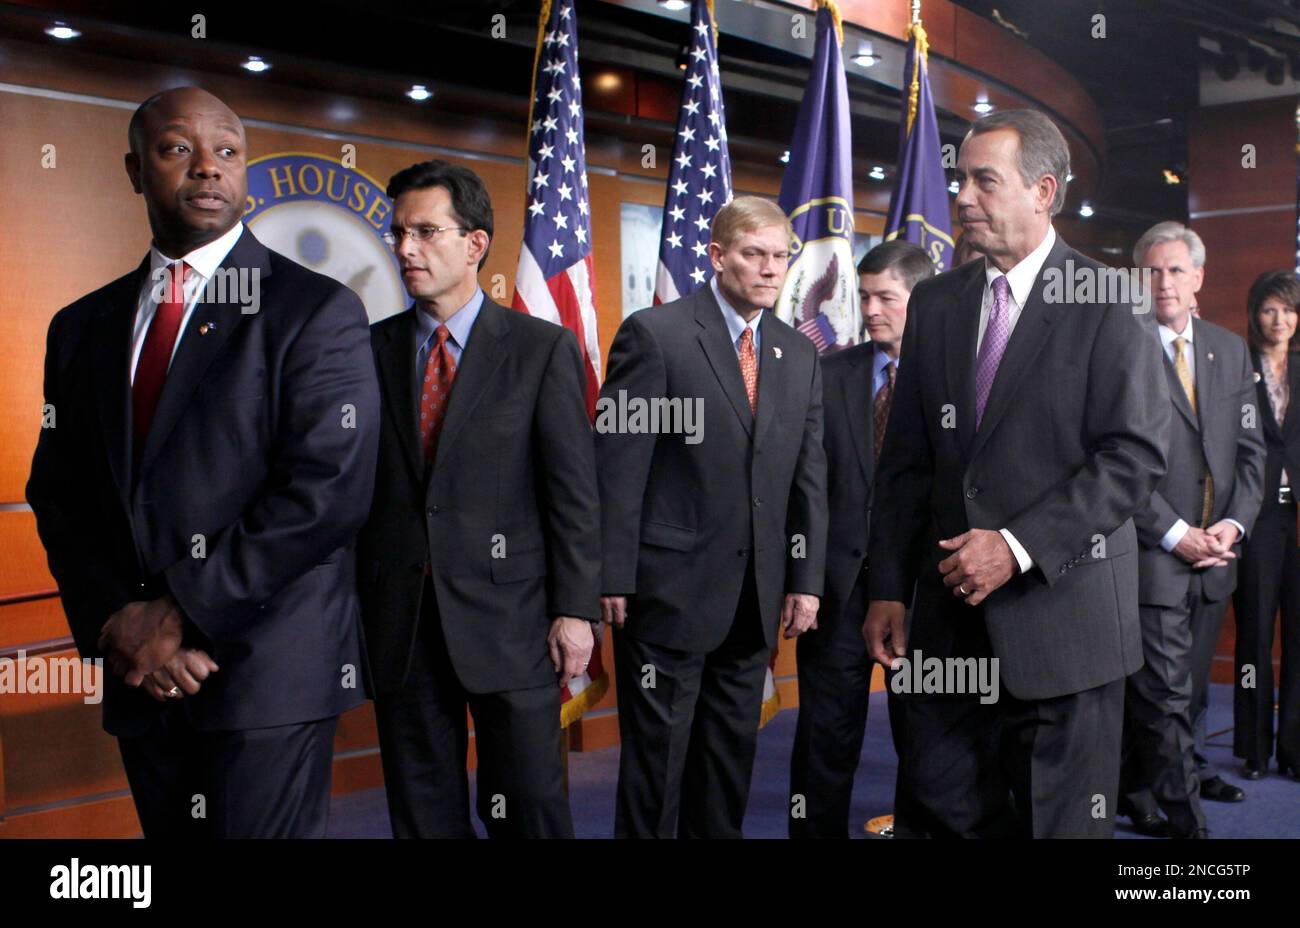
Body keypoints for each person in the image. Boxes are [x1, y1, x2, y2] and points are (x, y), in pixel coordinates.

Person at [25, 87, 380, 837]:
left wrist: (179, 614)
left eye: (227, 152)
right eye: (177, 149)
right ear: (134, 170)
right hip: (140, 675)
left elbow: (327, 493)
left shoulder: (314, 310)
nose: (208, 169)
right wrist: (119, 626)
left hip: (265, 676)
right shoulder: (81, 326)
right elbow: (59, 495)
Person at [864, 109, 1171, 839]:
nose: (963, 196)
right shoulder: (936, 301)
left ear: (1043, 190)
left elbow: (1134, 457)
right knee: (938, 819)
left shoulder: (1112, 299)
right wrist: (886, 590)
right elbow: (906, 464)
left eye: (983, 180)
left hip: (1065, 628)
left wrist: (1017, 545)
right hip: (944, 631)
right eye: (959, 178)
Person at [357, 160, 599, 838]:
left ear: (475, 244)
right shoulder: (363, 351)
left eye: (425, 232)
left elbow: (574, 493)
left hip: (515, 624)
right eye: (398, 232)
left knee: (529, 809)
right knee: (422, 812)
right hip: (401, 623)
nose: (405, 249)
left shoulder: (541, 349)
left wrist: (576, 609)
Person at [597, 195, 828, 838]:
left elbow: (809, 476)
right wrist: (611, 572)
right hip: (668, 592)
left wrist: (805, 581)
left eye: (781, 256)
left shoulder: (797, 352)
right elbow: (618, 466)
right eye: (754, 254)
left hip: (754, 598)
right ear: (718, 256)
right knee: (657, 767)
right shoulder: (656, 333)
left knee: (729, 761)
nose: (770, 270)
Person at [1120, 222, 1265, 838]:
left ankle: (1147, 785)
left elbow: (1252, 453)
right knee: (1164, 695)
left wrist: (1233, 525)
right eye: (1152, 270)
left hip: (1216, 557)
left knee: (1190, 691)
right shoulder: (1119, 345)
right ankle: (1185, 824)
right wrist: (1174, 531)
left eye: (1176, 270)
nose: (1164, 283)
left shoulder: (1229, 349)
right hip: (1154, 551)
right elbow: (1114, 462)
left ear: (1198, 277)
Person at [788, 240, 933, 838]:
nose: (871, 310)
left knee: (923, 741)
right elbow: (804, 487)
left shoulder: (953, 382)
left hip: (926, 598)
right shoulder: (827, 375)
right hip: (837, 594)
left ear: (920, 299)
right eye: (864, 297)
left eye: (886, 298)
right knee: (825, 738)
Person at [1233, 270, 1300, 782]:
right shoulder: (1237, 365)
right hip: (1257, 516)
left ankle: (1293, 748)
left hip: (1299, 518)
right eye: (1270, 309)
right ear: (1256, 315)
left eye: (1289, 310)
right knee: (1255, 634)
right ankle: (1253, 750)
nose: (1280, 320)